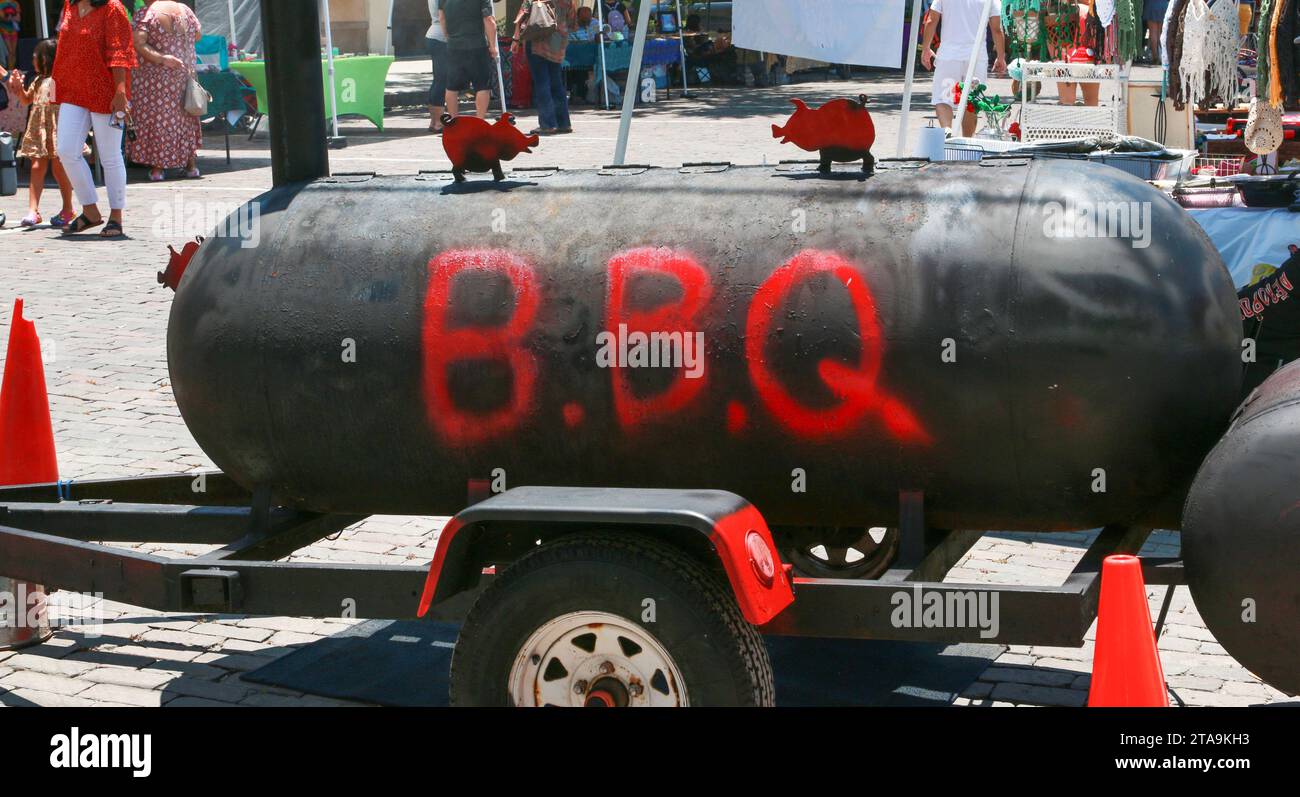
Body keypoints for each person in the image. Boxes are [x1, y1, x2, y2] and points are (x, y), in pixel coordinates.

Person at [52, 0, 138, 238]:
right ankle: (90, 210)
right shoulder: (70, 6)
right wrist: (56, 84)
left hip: (106, 90)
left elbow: (120, 51)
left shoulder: (113, 8)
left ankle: (116, 217)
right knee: (66, 150)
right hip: (74, 90)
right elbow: (64, 48)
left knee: (110, 156)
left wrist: (121, 92)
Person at [5, 39, 76, 227]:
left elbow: (58, 100)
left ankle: (68, 208)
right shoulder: (37, 80)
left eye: (35, 57)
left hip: (57, 126)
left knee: (59, 168)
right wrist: (18, 89)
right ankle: (33, 210)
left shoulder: (60, 78)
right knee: (36, 167)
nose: (32, 60)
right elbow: (27, 99)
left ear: (47, 59)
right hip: (39, 129)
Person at [128, 0, 202, 181]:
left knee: (159, 119)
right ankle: (191, 166)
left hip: (156, 79)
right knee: (185, 117)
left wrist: (162, 57)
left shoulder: (147, 14)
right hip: (185, 75)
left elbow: (138, 42)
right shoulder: (185, 10)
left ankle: (157, 169)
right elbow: (198, 35)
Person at [921, 0, 1007, 137]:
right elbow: (996, 29)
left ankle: (947, 131)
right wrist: (1001, 56)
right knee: (971, 101)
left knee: (943, 98)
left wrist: (926, 48)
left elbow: (931, 20)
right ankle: (967, 140)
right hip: (977, 57)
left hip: (949, 55)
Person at [513, 0, 575, 136]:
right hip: (558, 41)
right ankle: (563, 123)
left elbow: (521, 16)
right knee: (556, 81)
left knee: (542, 82)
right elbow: (572, 22)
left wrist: (516, 40)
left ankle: (547, 124)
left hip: (537, 41)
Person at [439, 0, 497, 120]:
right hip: (477, 45)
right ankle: (479, 121)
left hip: (454, 45)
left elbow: (442, 18)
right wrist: (492, 46)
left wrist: (448, 36)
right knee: (482, 86)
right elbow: (488, 20)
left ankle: (453, 123)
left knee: (451, 87)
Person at [426, 0, 449, 132]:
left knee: (438, 80)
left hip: (434, 34)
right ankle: (439, 122)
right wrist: (448, 37)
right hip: (441, 37)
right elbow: (442, 16)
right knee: (442, 80)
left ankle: (434, 120)